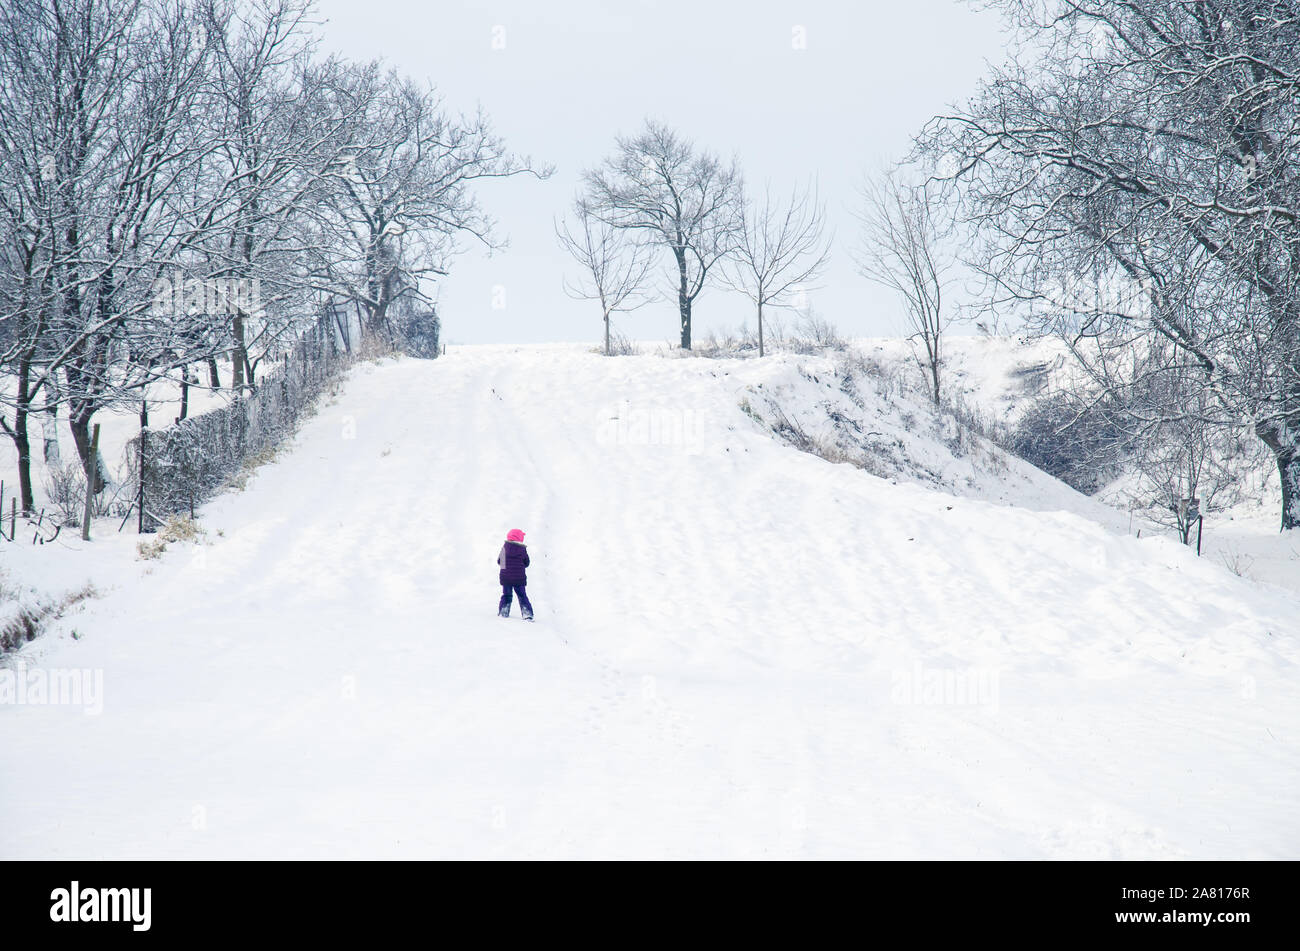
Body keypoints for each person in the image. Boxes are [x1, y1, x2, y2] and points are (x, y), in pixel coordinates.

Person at [497, 528, 534, 620]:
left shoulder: (504, 548)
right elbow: (527, 563)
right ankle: (527, 613)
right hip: (519, 578)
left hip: (506, 578)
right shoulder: (522, 550)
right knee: (522, 595)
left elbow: (499, 561)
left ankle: (503, 611)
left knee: (506, 594)